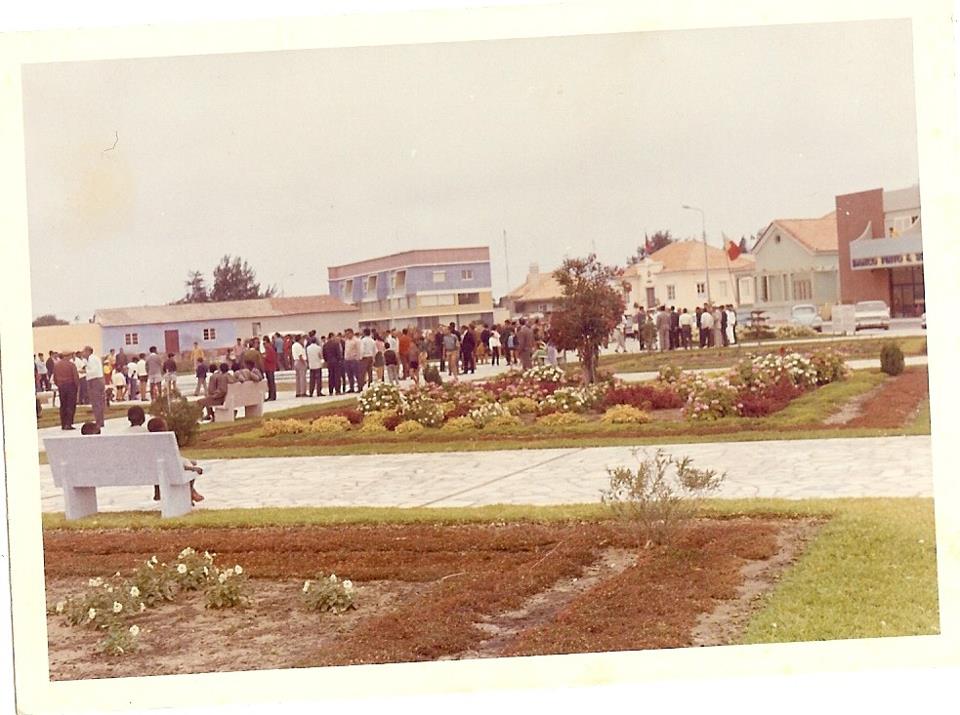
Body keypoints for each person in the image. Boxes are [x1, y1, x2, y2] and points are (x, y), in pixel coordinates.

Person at [147, 416, 204, 504]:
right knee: (189, 465)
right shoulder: (166, 440)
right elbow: (175, 463)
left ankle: (158, 491)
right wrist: (192, 468)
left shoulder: (148, 442)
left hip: (153, 469)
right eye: (165, 427)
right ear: (162, 429)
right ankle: (190, 491)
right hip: (168, 468)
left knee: (187, 461)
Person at [52, 351, 80, 430]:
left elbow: (55, 378)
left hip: (61, 387)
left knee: (63, 405)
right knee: (70, 405)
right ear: (67, 356)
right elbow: (76, 377)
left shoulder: (57, 365)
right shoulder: (71, 365)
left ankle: (63, 424)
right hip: (71, 386)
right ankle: (68, 423)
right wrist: (77, 386)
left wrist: (59, 385)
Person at [82, 346, 106, 429]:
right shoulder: (88, 360)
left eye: (84, 351)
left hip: (95, 381)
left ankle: (99, 421)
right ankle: (99, 420)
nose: (82, 353)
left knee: (96, 402)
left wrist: (84, 371)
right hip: (95, 380)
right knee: (96, 402)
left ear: (88, 351)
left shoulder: (92, 359)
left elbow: (94, 371)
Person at [343, 328, 363, 392]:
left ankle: (360, 387)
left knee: (357, 375)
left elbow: (359, 350)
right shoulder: (347, 341)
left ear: (352, 333)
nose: (347, 335)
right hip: (347, 360)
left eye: (348, 334)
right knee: (349, 375)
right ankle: (351, 388)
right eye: (346, 334)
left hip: (354, 360)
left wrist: (358, 358)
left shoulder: (356, 341)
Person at [262, 336, 278, 401]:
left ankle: (272, 396)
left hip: (270, 368)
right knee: (269, 382)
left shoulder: (269, 349)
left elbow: (271, 358)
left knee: (271, 383)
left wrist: (264, 357)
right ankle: (271, 395)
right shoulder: (268, 349)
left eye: (264, 343)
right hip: (268, 368)